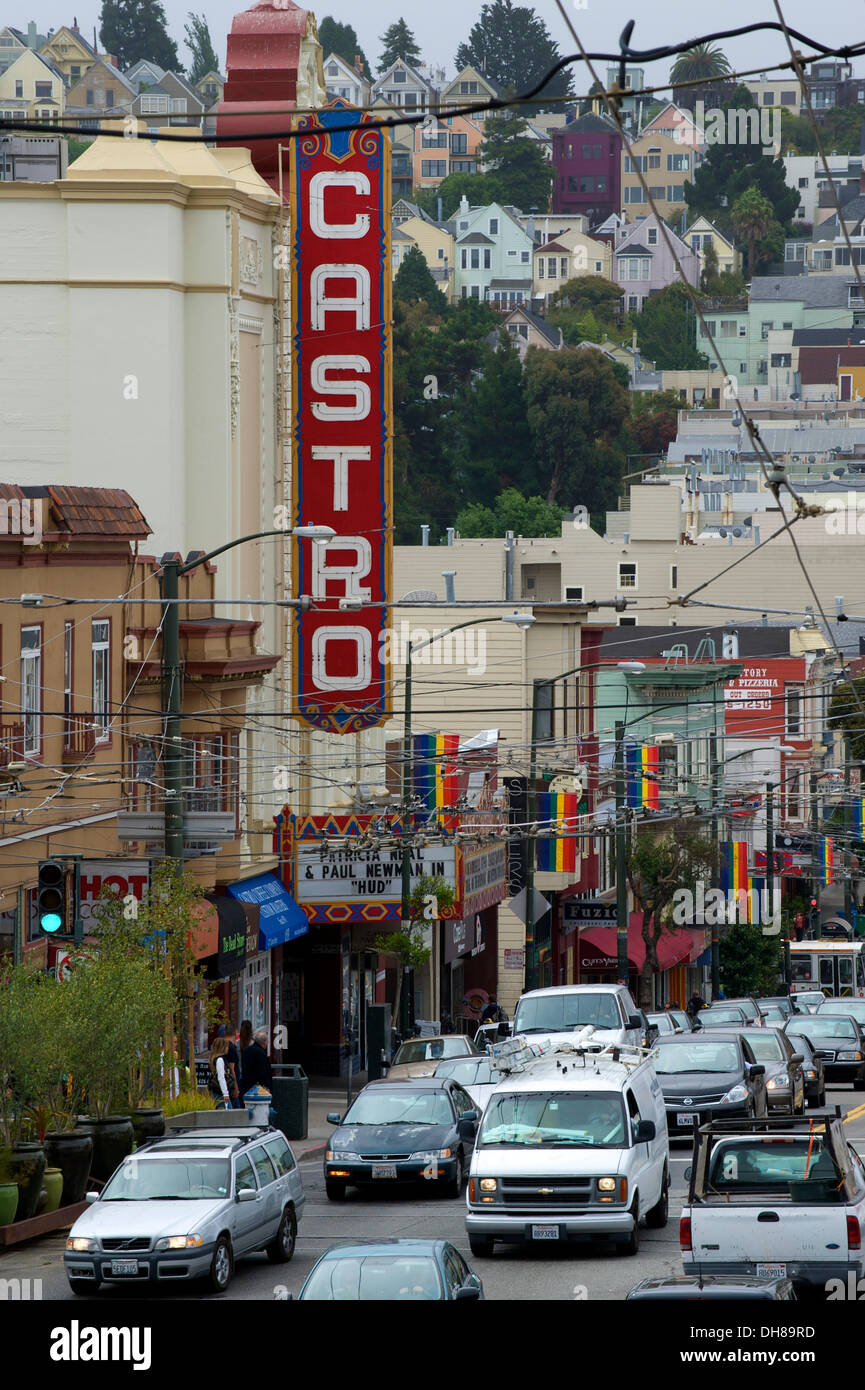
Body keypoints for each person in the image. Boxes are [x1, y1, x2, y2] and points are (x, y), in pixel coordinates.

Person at [240, 1027, 272, 1094]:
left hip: (246, 1085)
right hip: (259, 1088)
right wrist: (267, 1086)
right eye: (267, 1041)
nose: (267, 1043)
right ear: (264, 1042)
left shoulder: (246, 1050)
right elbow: (264, 1071)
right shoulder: (261, 1053)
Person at [208, 1037, 234, 1109]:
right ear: (222, 1048)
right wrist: (225, 1094)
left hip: (217, 1092)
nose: (228, 1048)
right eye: (226, 1046)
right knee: (228, 1114)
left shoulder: (215, 1059)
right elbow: (221, 1077)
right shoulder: (220, 1060)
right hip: (220, 1093)